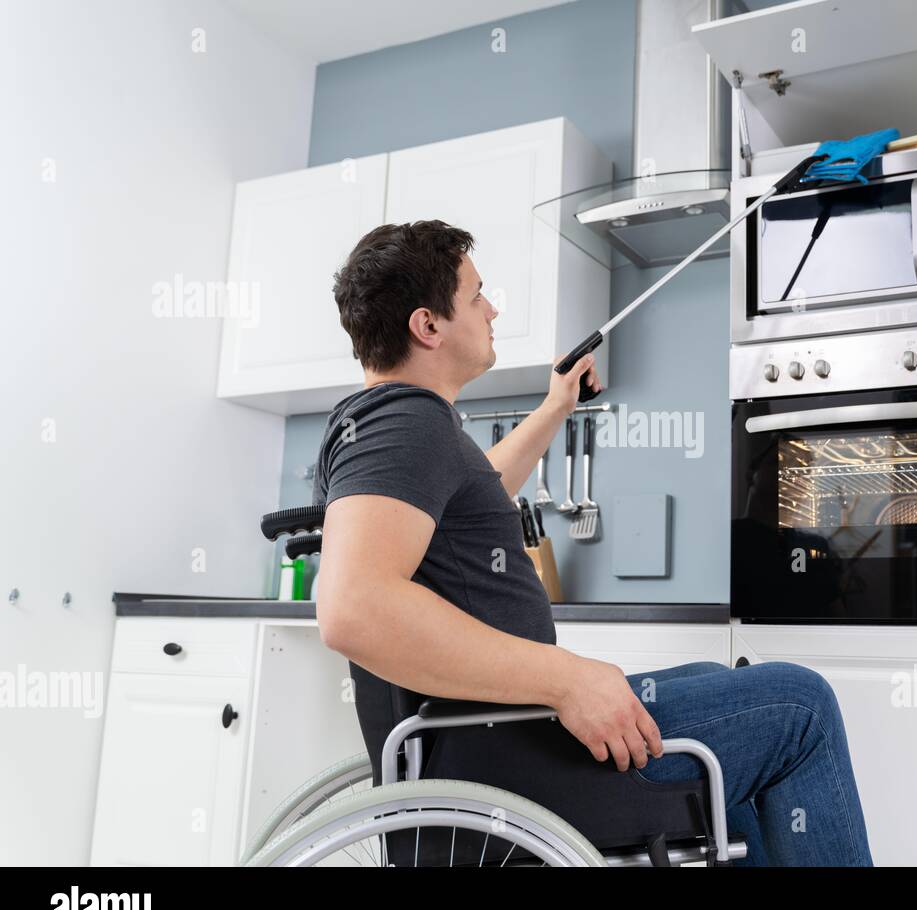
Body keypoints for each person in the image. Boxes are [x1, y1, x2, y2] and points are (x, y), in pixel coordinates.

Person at [312, 219, 872, 866]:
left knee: (711, 682)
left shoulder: (410, 427)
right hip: (523, 773)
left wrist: (557, 406)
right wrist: (566, 680)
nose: (492, 309)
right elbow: (354, 607)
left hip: (506, 749)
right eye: (475, 296)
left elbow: (482, 490)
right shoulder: (401, 423)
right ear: (428, 327)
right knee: (799, 706)